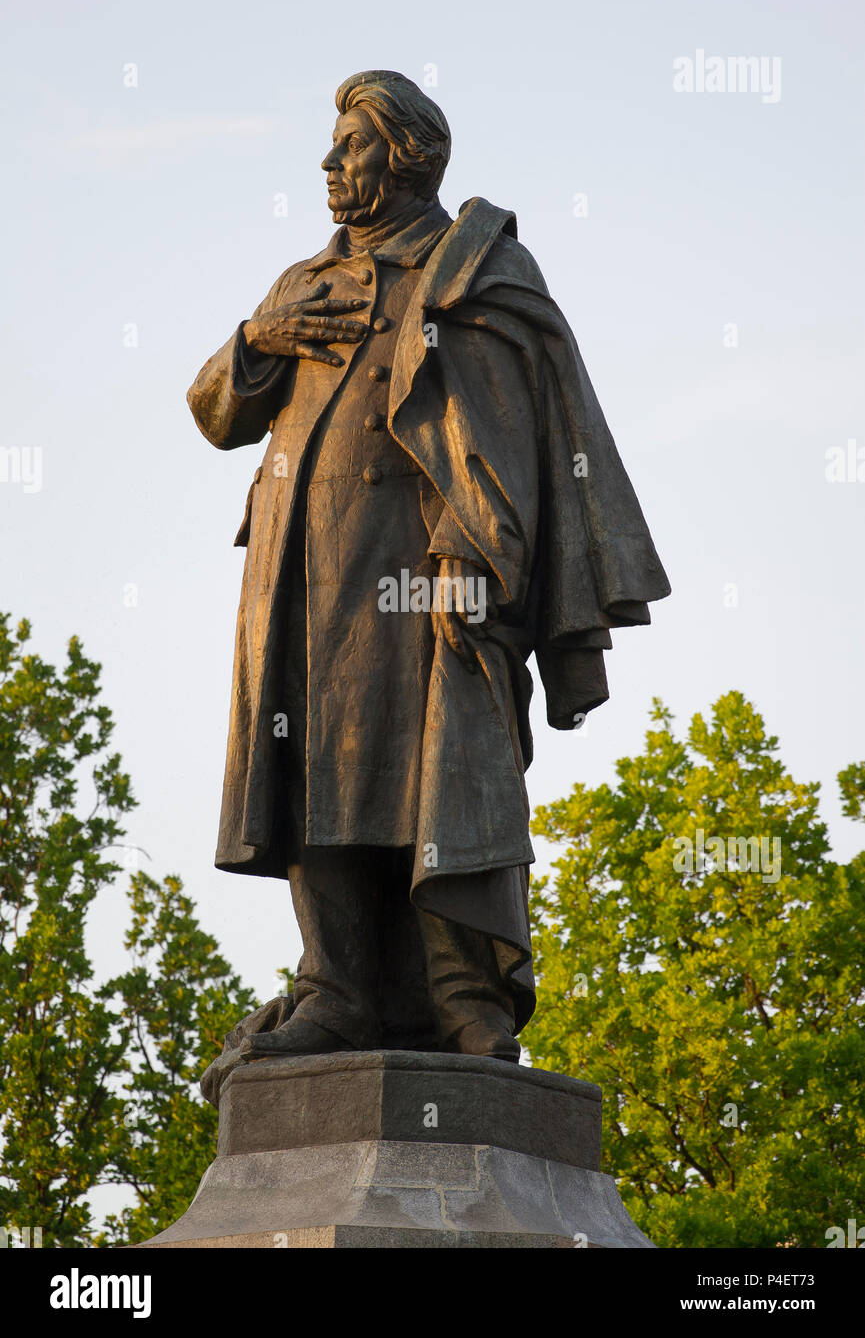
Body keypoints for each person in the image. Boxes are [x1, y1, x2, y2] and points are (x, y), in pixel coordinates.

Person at [189, 70, 670, 1066]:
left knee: (445, 778)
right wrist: (255, 339)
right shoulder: (300, 284)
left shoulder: (473, 271)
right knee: (315, 774)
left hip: (431, 578)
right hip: (301, 584)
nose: (328, 164)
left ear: (406, 156)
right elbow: (215, 414)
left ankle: (466, 1004)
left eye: (351, 145)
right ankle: (337, 991)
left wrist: (477, 550)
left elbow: (510, 438)